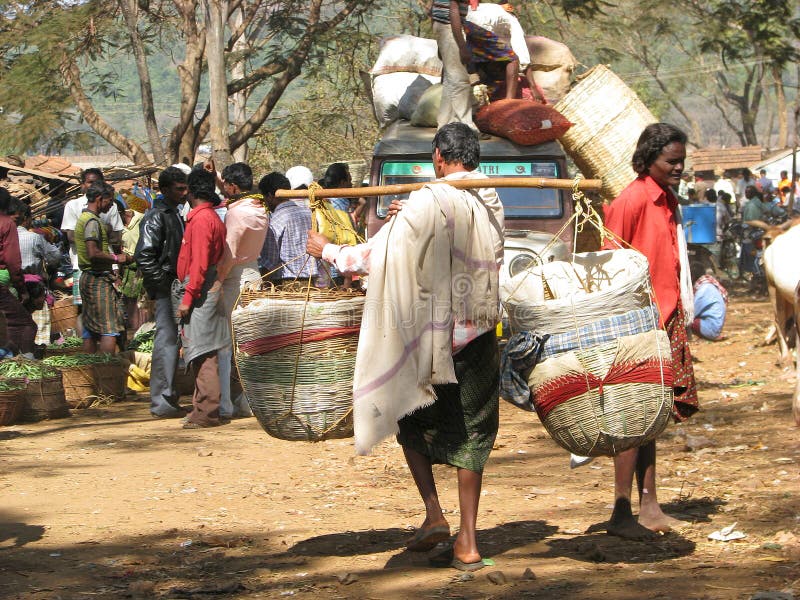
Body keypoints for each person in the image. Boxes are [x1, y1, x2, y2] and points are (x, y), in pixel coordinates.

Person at [307, 123, 504, 571]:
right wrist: (407, 215)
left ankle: (435, 513)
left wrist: (328, 250)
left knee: (408, 417)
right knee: (472, 433)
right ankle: (466, 541)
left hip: (430, 339)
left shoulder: (429, 200)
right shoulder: (491, 198)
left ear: (438, 156)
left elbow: (372, 258)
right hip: (478, 336)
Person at [603, 122, 698, 539]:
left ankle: (650, 506)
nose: (678, 167)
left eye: (681, 161)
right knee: (633, 416)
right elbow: (610, 259)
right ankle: (621, 512)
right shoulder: (633, 199)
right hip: (639, 321)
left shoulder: (666, 200)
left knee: (653, 417)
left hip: (667, 315)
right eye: (670, 161)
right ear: (649, 159)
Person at [173, 167, 230, 429]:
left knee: (202, 351)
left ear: (192, 191)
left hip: (199, 290)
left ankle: (207, 412)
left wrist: (187, 298)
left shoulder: (201, 220)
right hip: (204, 287)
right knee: (200, 351)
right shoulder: (210, 217)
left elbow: (198, 264)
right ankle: (200, 408)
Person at [135, 166, 188, 419]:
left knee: (172, 342)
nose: (184, 193)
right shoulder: (157, 216)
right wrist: (162, 286)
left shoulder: (175, 213)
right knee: (166, 342)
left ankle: (168, 397)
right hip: (167, 287)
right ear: (165, 189)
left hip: (173, 286)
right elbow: (144, 256)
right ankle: (161, 401)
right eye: (179, 188)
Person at [217, 162, 268, 420]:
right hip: (253, 275)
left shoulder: (236, 214)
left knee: (228, 344)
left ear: (233, 186)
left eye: (225, 184)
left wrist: (216, 282)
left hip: (235, 279)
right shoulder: (258, 207)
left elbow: (229, 254)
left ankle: (226, 403)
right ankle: (248, 399)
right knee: (249, 341)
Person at [74, 182, 129, 353]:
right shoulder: (92, 221)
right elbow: (93, 253)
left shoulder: (84, 218)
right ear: (99, 199)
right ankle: (106, 369)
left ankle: (92, 365)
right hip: (97, 279)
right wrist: (117, 258)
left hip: (88, 277)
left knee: (90, 328)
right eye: (110, 201)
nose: (111, 205)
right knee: (109, 328)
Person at [61, 168, 124, 307]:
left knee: (108, 305)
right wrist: (104, 232)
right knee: (85, 309)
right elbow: (71, 236)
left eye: (97, 182)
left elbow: (117, 237)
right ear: (83, 184)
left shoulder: (111, 206)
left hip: (107, 264)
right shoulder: (74, 206)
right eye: (90, 182)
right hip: (81, 265)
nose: (92, 185)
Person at [15, 200, 61, 347]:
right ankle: (36, 354)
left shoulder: (6, 236)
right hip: (34, 287)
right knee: (38, 328)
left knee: (17, 325)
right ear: (27, 219)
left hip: (13, 285)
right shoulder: (35, 237)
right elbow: (55, 257)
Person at [259, 172, 318, 281]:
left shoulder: (276, 220)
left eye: (264, 198)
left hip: (288, 283)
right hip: (312, 281)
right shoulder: (309, 213)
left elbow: (269, 262)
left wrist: (261, 283)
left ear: (270, 196)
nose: (265, 203)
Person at [464, 1, 526, 100]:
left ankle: (477, 83)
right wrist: (524, 66)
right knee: (513, 58)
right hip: (476, 26)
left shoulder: (489, 7)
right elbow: (520, 44)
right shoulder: (511, 18)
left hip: (465, 20)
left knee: (479, 58)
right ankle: (509, 100)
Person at [0, 189, 37, 354]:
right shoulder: (6, 224)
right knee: (25, 325)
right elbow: (12, 262)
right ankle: (24, 364)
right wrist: (22, 289)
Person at [431, 1, 477, 130]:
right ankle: (467, 127)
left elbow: (433, 9)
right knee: (460, 80)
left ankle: (445, 124)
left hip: (443, 27)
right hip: (449, 27)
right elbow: (453, 9)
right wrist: (462, 47)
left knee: (450, 80)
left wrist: (440, 42)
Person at [117, 199, 148, 333]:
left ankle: (144, 331)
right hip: (129, 269)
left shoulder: (141, 219)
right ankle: (135, 333)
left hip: (143, 266)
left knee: (144, 302)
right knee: (131, 302)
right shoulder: (117, 226)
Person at [691, 274, 728, 341]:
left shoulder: (703, 289)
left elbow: (692, 313)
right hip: (715, 327)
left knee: (683, 321)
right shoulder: (708, 285)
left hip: (711, 328)